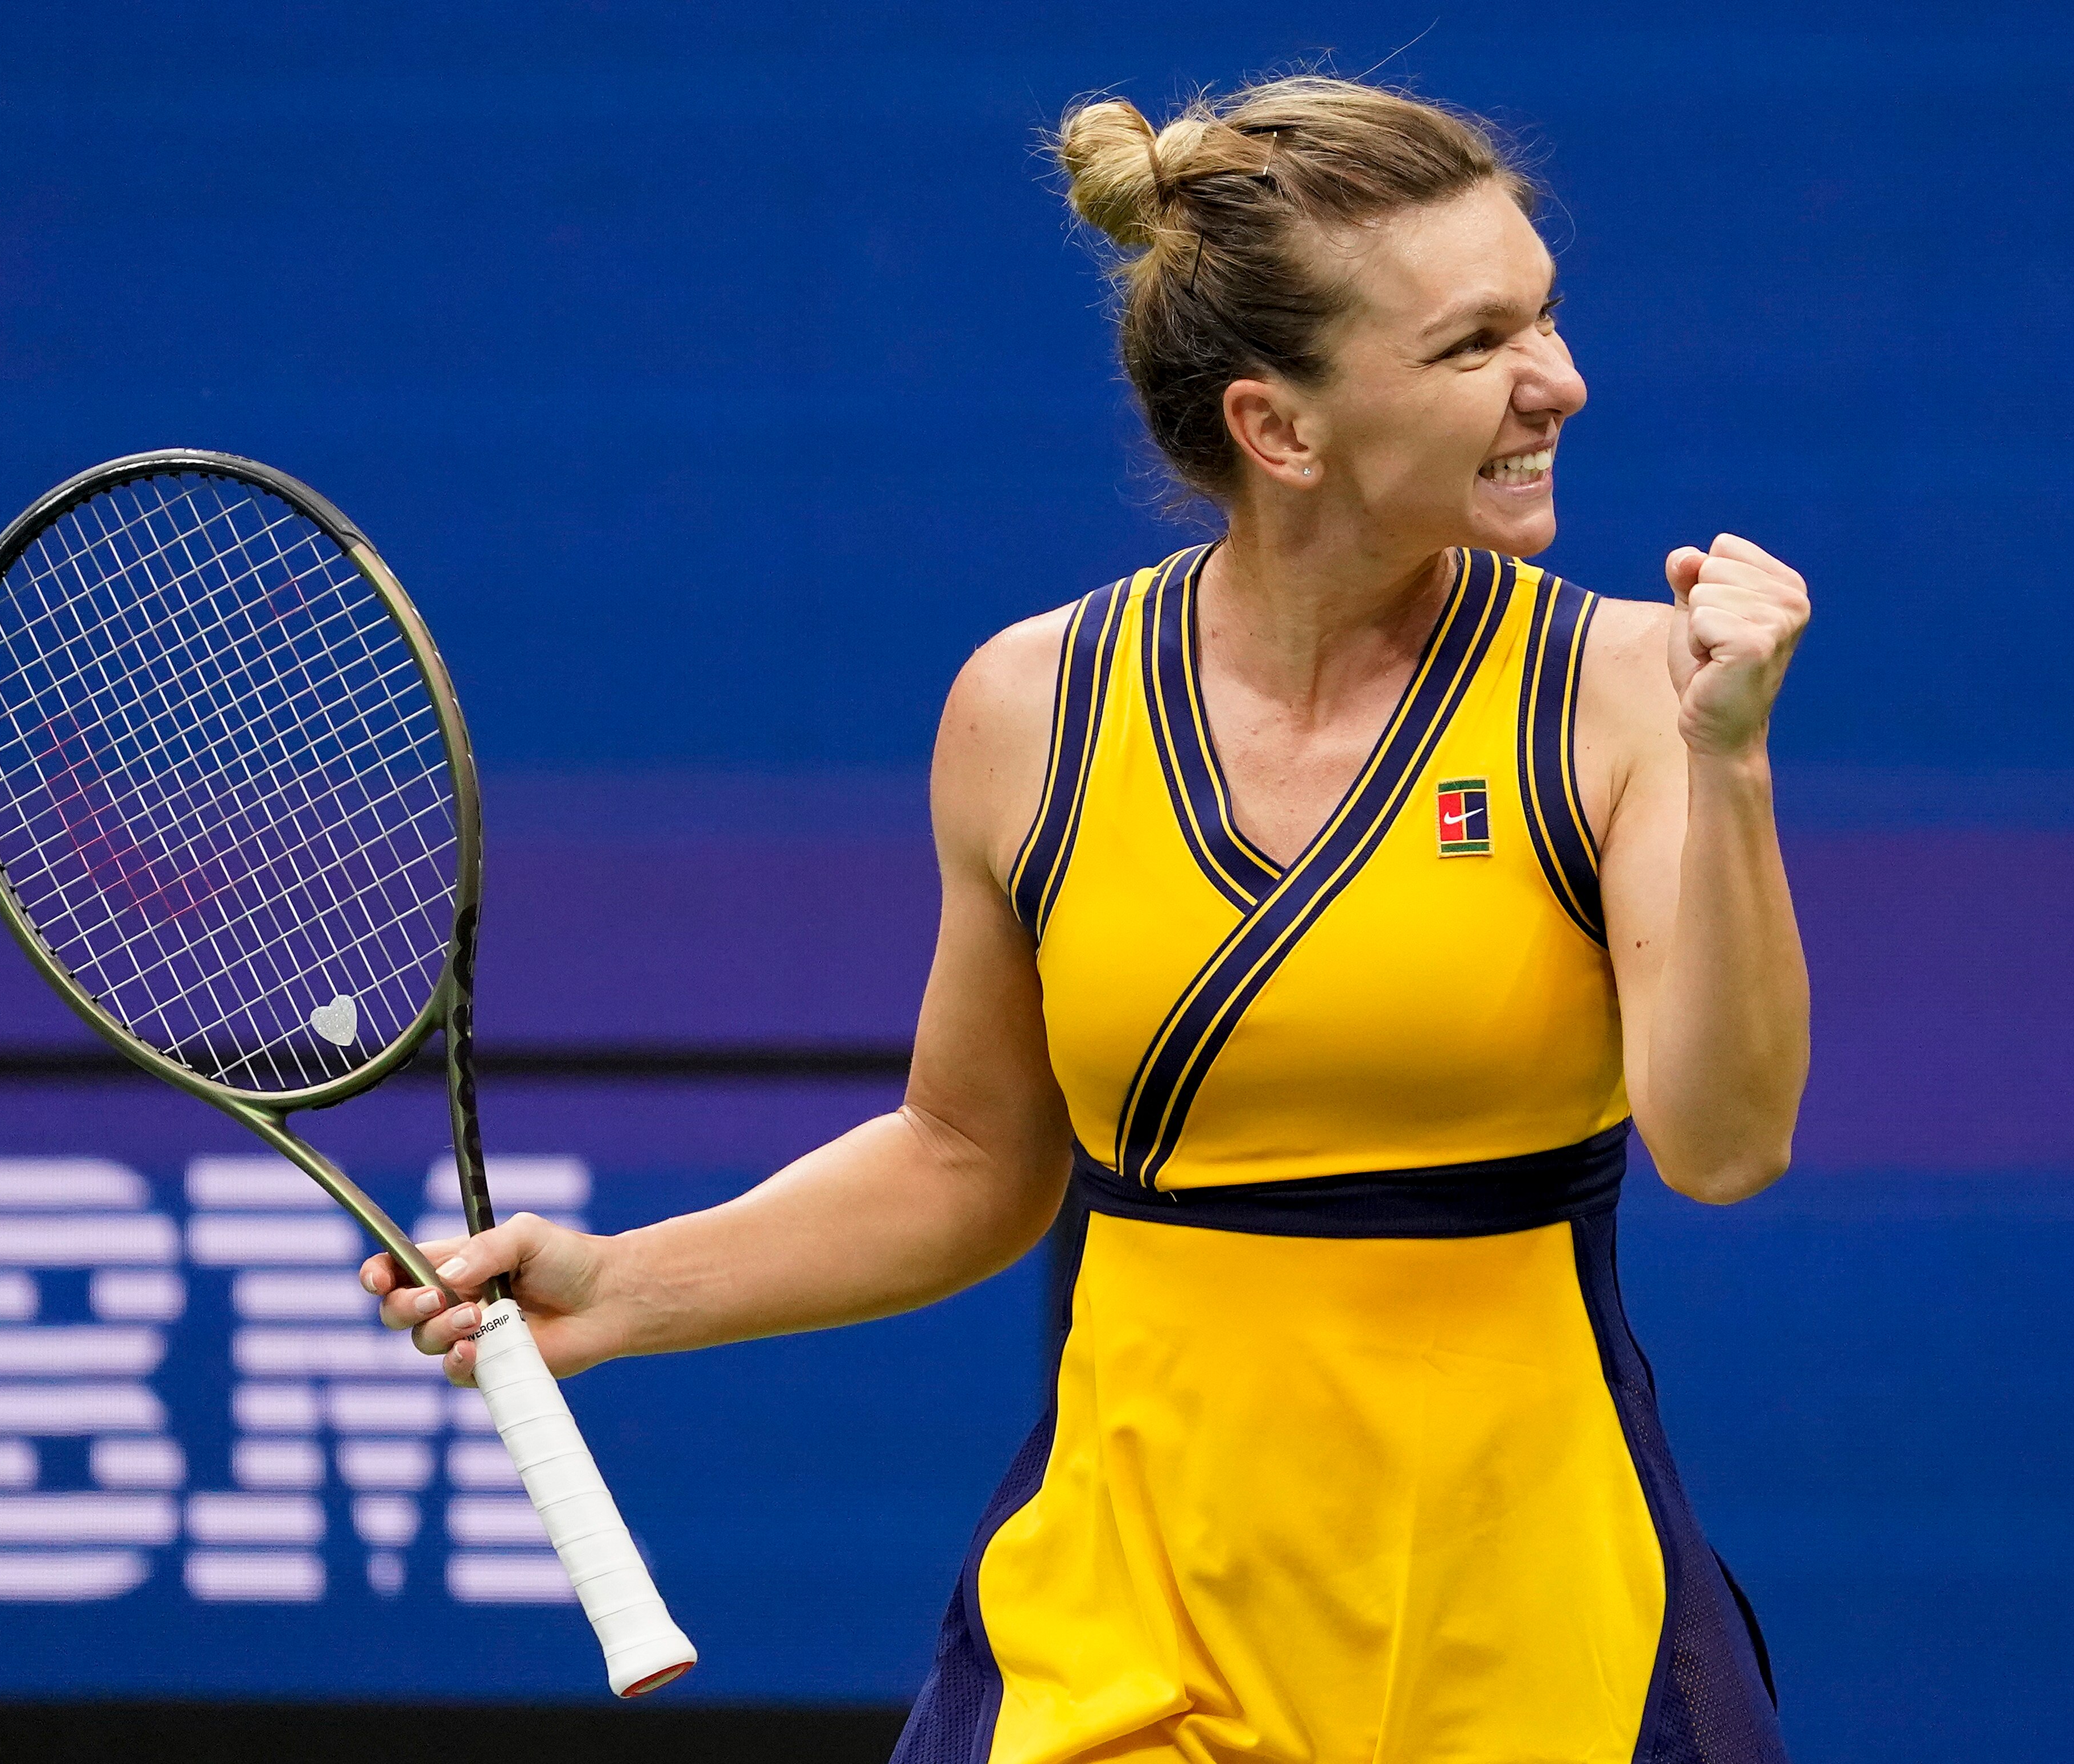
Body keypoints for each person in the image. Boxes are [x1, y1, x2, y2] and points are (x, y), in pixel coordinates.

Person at [368, 73, 1810, 1764]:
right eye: (1474, 344)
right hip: (1118, 1640)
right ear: (1281, 429)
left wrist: (1729, 765)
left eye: (1544, 316)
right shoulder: (1033, 708)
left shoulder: (1625, 691)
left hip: (1530, 1633)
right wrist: (623, 1286)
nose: (1559, 380)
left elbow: (1724, 1144)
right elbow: (970, 1153)